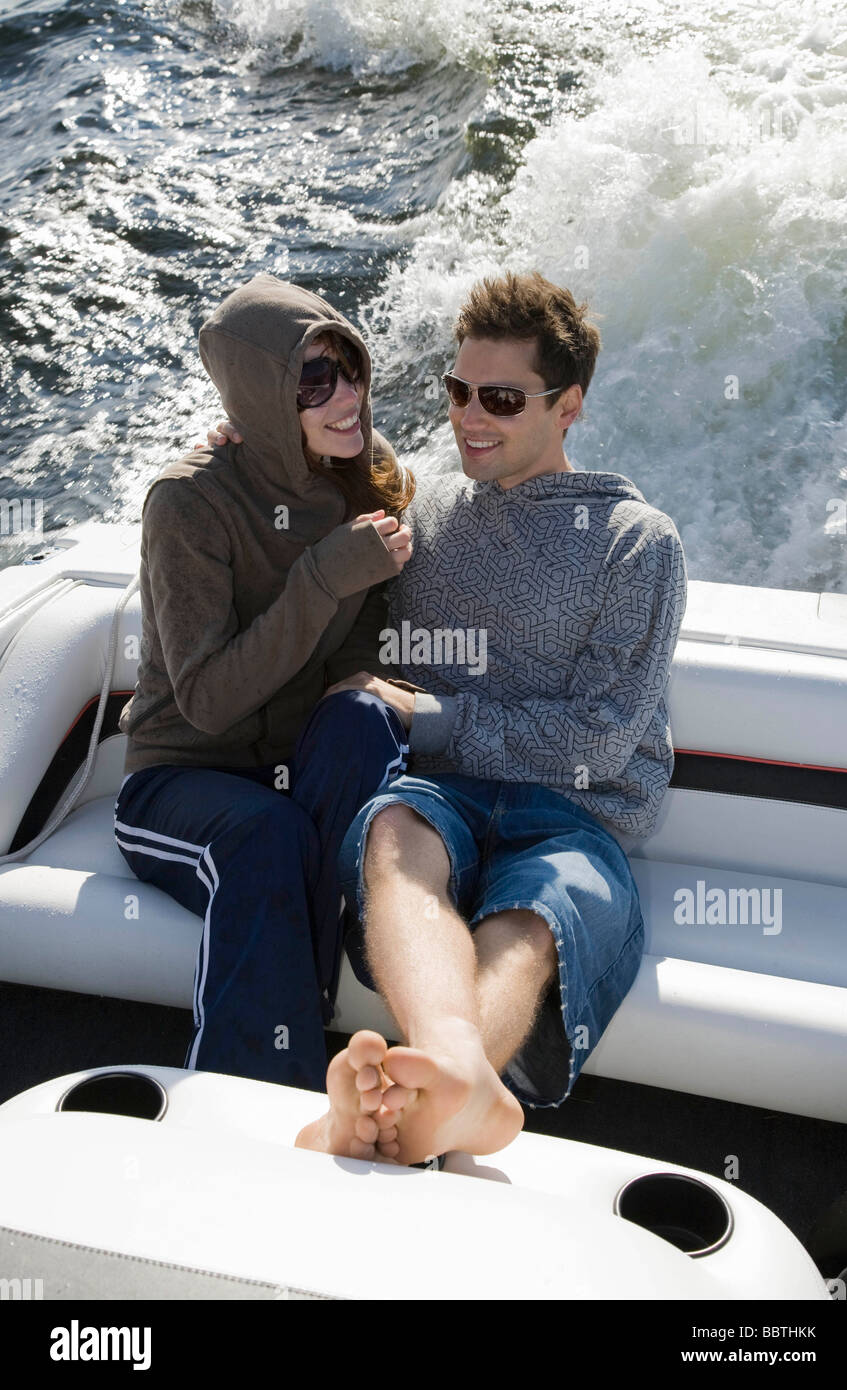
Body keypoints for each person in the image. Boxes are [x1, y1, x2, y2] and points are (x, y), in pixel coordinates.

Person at [208, 270, 688, 1168]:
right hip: (444, 801)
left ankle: (444, 1080)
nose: (471, 416)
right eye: (458, 391)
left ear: (568, 405)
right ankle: (457, 1086)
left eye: (502, 398)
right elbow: (316, 460)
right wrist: (251, 440)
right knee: (393, 829)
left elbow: (595, 743)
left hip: (574, 815)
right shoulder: (420, 510)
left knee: (544, 905)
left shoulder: (638, 543)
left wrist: (435, 716)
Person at [114, 273, 420, 1107]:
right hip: (182, 777)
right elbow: (208, 700)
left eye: (349, 370)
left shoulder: (367, 469)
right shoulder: (189, 502)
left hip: (299, 766)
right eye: (313, 383)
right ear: (260, 398)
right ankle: (242, 1114)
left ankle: (361, 1001)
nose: (346, 397)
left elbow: (362, 641)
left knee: (361, 721)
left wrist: (363, 672)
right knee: (267, 835)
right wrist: (320, 576)